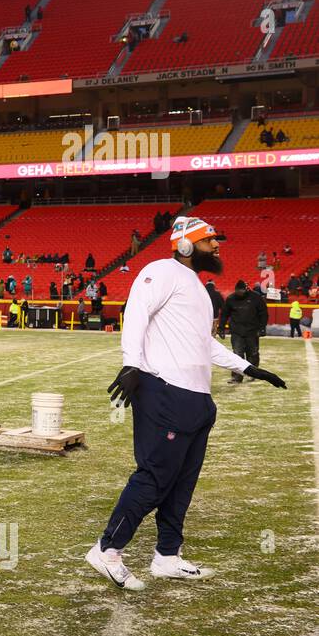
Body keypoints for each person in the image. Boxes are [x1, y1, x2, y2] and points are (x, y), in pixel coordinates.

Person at [87, 216, 285, 590]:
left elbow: (204, 343)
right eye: (210, 240)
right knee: (154, 478)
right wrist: (131, 363)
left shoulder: (197, 286)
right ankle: (107, 549)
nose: (217, 245)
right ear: (185, 245)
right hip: (164, 390)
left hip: (196, 398)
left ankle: (167, 556)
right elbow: (137, 313)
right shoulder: (161, 270)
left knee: (182, 483)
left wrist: (250, 368)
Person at [218, 279, 268, 383]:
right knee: (237, 354)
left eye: (241, 292)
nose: (239, 294)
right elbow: (224, 314)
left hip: (252, 330)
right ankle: (236, 377)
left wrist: (262, 328)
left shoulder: (256, 297)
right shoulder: (231, 299)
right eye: (237, 292)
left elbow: (263, 313)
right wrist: (221, 327)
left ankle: (253, 374)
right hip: (237, 331)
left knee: (253, 353)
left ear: (246, 290)